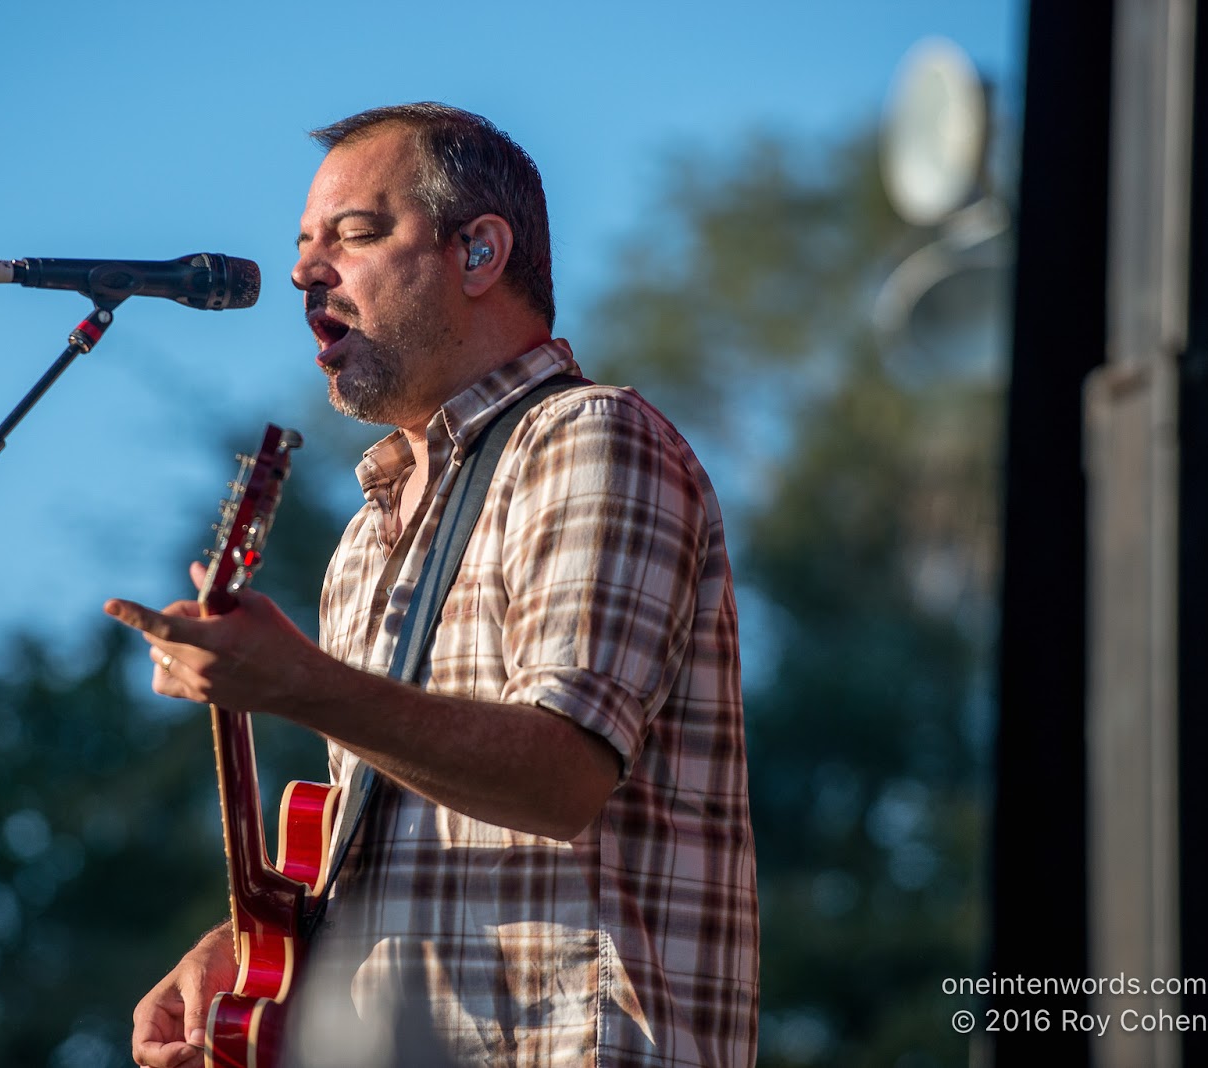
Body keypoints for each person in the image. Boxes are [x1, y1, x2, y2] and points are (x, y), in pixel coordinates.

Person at [104, 102, 758, 1068]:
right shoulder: (365, 542)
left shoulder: (587, 437)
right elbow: (383, 859)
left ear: (480, 253)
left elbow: (560, 776)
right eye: (302, 245)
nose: (302, 271)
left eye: (356, 234)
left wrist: (291, 684)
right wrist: (249, 955)